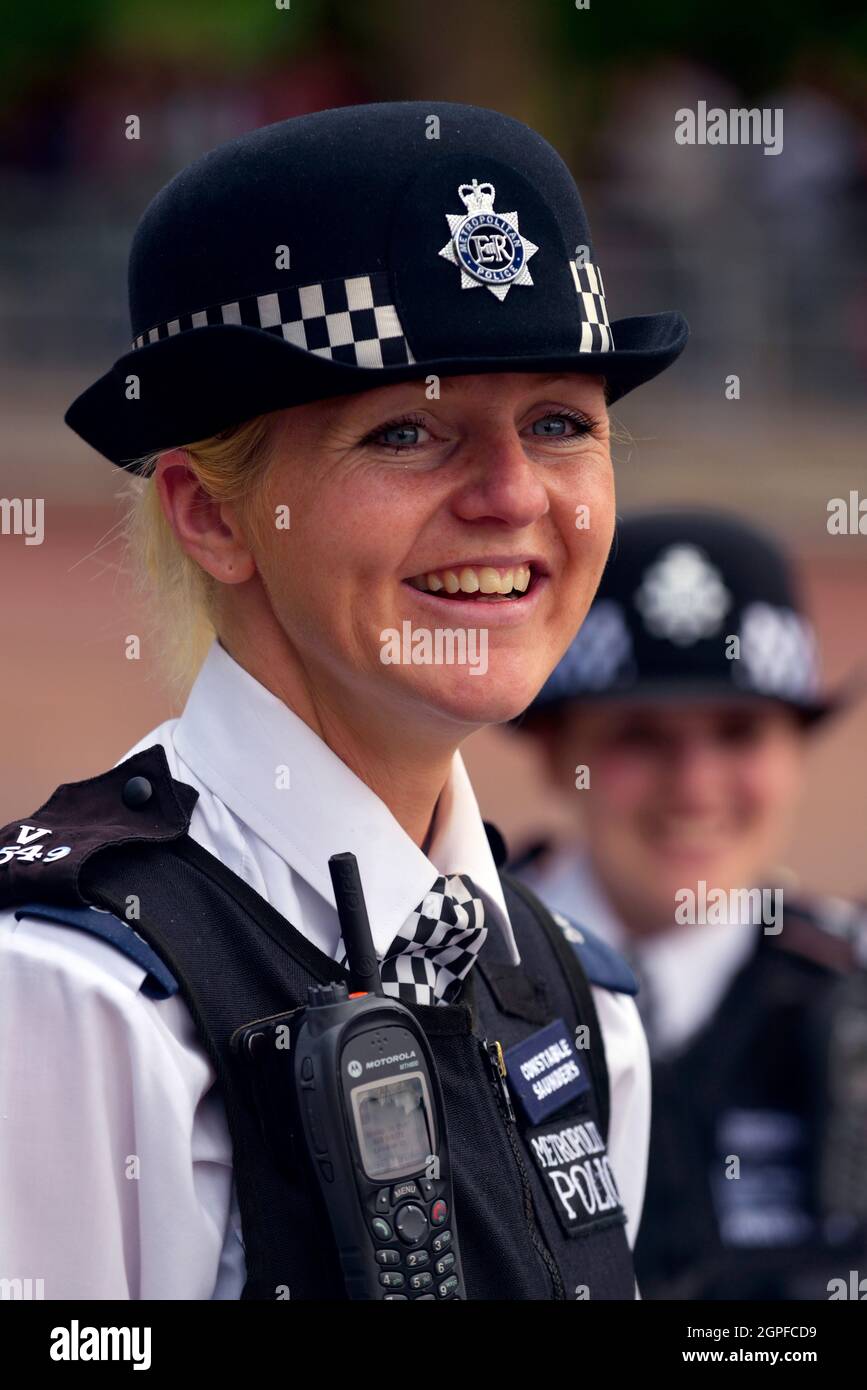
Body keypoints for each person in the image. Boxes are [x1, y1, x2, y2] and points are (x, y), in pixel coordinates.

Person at [0, 101, 689, 1301]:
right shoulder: (73, 996)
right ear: (212, 514)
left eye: (561, 422)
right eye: (411, 432)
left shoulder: (582, 998)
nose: (512, 495)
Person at [514, 507, 867, 1300]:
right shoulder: (453, 987)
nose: (695, 786)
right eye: (640, 736)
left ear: (796, 755)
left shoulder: (850, 983)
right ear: (555, 749)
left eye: (739, 733)